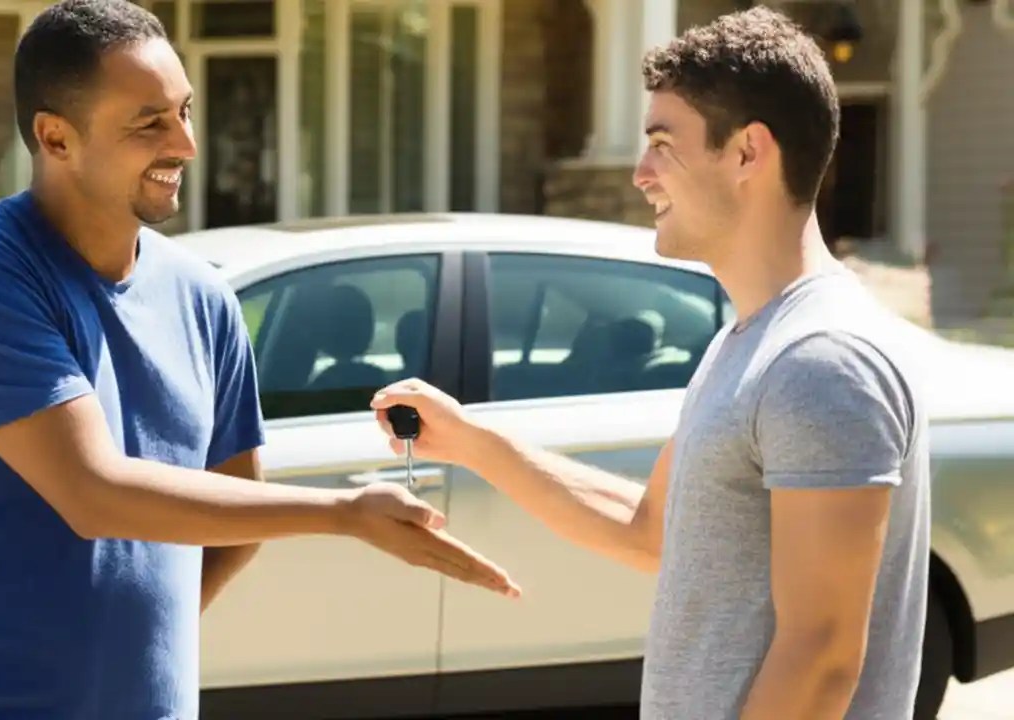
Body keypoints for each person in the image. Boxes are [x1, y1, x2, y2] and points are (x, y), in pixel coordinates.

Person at [0, 1, 518, 718]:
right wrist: (343, 513)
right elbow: (93, 494)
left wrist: (136, 662)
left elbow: (236, 517)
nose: (184, 144)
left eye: (185, 111)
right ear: (55, 139)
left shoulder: (204, 299)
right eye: (148, 122)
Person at [371, 8, 929, 720]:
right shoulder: (752, 343)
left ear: (748, 153)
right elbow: (650, 530)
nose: (640, 173)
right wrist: (471, 443)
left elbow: (820, 659)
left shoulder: (820, 362)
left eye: (663, 143)